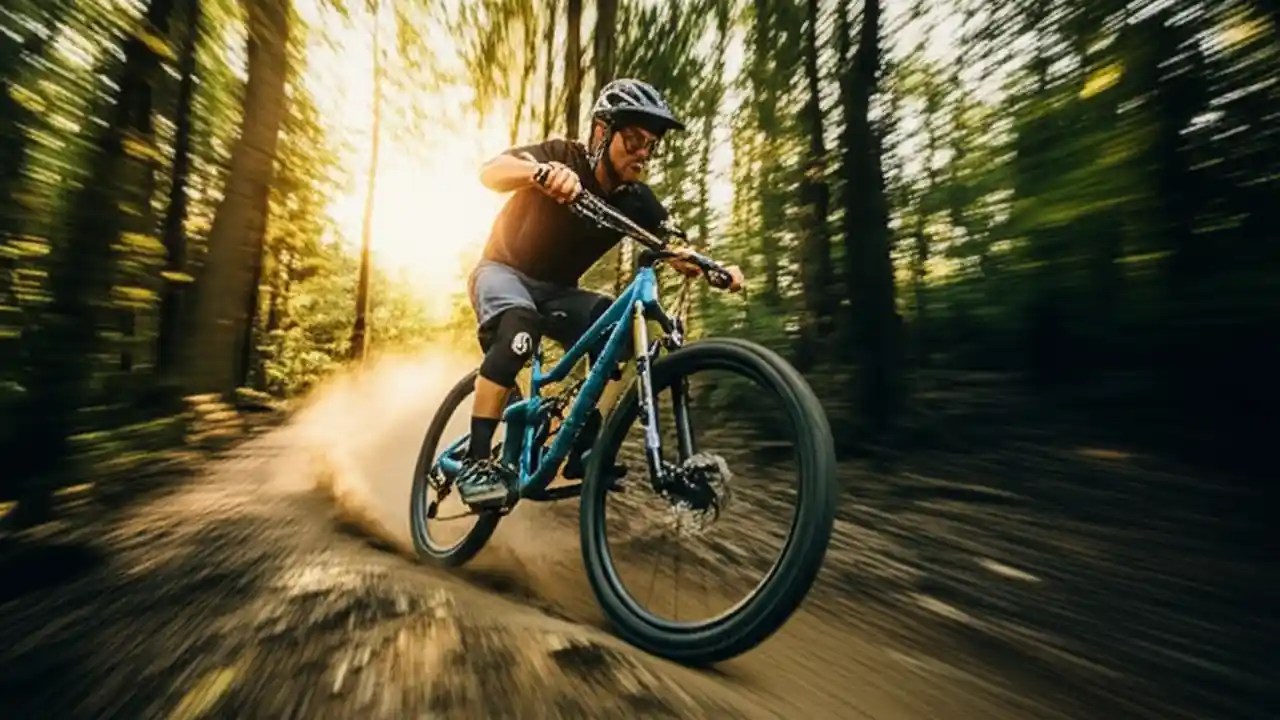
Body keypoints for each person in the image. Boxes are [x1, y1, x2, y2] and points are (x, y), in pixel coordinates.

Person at [456, 78, 744, 507]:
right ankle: (476, 465)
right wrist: (539, 174)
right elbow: (490, 172)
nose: (643, 153)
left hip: (557, 292)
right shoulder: (562, 156)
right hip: (502, 271)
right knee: (519, 329)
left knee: (625, 332)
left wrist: (708, 266)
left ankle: (584, 445)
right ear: (600, 132)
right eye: (633, 139)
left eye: (651, 145)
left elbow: (676, 245)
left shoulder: (637, 200)